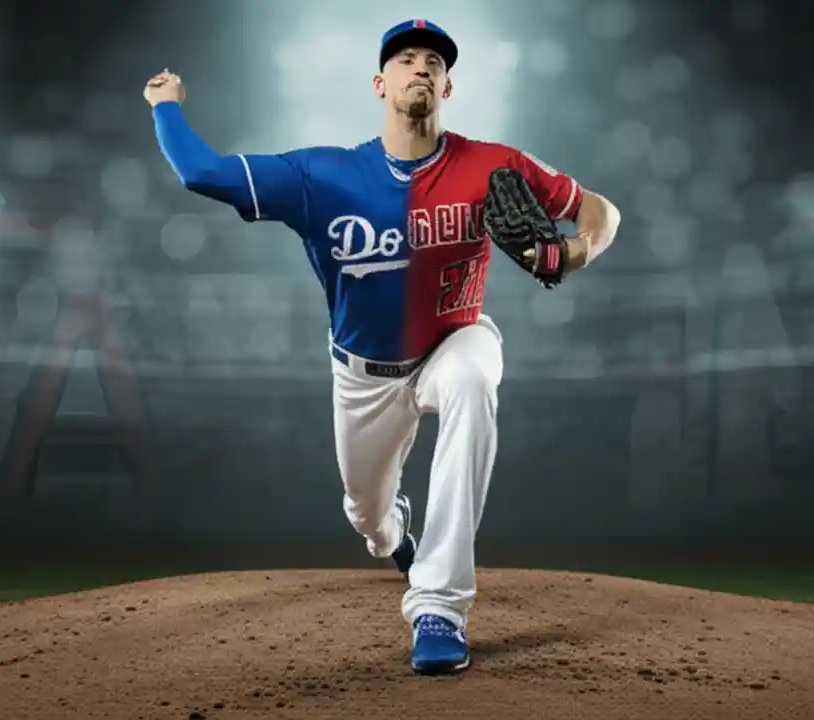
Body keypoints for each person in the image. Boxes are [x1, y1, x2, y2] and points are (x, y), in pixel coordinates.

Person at [144, 19, 621, 675]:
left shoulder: (493, 164)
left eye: (433, 60)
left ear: (448, 84)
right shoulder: (321, 176)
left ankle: (439, 609)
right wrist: (165, 104)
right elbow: (203, 173)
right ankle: (392, 531)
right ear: (380, 83)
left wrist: (573, 252)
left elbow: (600, 210)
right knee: (365, 515)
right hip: (364, 377)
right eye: (405, 58)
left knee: (474, 380)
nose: (420, 66)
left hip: (455, 341)